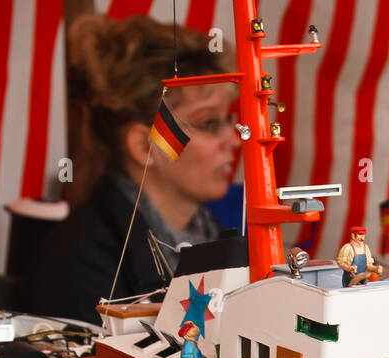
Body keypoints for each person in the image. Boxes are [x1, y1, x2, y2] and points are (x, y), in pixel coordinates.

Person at [24, 16, 240, 321]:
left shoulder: (220, 240)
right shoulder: (79, 261)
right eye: (209, 123)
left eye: (228, 119)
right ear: (144, 146)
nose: (234, 140)